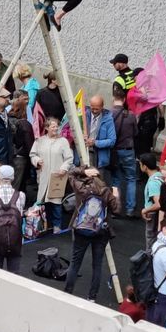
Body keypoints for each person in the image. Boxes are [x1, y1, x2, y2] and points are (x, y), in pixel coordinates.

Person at [63, 166, 120, 302]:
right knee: (97, 265)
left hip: (81, 229)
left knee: (75, 262)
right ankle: (92, 297)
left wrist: (83, 171)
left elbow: (70, 173)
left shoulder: (80, 188)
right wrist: (116, 196)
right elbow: (116, 210)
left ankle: (67, 292)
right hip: (100, 231)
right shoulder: (106, 191)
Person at [31, 117, 73, 232]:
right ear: (46, 128)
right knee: (43, 201)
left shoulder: (63, 141)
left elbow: (69, 158)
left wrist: (64, 168)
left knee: (56, 202)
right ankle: (44, 225)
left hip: (57, 176)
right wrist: (37, 160)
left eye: (57, 126)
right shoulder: (39, 141)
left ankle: (57, 225)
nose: (55, 128)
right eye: (53, 126)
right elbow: (32, 155)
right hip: (44, 175)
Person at [0, 165, 26, 273]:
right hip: (15, 239)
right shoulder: (21, 195)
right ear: (12, 177)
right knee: (14, 275)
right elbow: (20, 214)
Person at [110, 87, 138, 216]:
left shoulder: (109, 114)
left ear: (113, 98)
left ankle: (116, 209)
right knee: (131, 179)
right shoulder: (131, 115)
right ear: (124, 99)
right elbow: (135, 133)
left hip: (114, 151)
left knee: (116, 180)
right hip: (128, 150)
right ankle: (130, 209)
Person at [8, 92, 35, 195]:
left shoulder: (6, 119)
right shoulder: (25, 124)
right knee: (17, 185)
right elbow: (29, 145)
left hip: (9, 155)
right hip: (20, 157)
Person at [85, 95, 116, 175]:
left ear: (102, 107)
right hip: (84, 152)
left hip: (99, 156)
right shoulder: (84, 115)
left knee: (98, 182)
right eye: (92, 108)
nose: (94, 111)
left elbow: (112, 141)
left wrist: (95, 142)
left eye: (97, 109)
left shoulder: (108, 119)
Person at [139, 153, 163, 249]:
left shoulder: (153, 182)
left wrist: (145, 210)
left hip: (153, 215)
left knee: (151, 241)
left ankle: (150, 262)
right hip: (161, 215)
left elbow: (158, 204)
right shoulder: (161, 176)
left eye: (140, 164)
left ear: (145, 166)